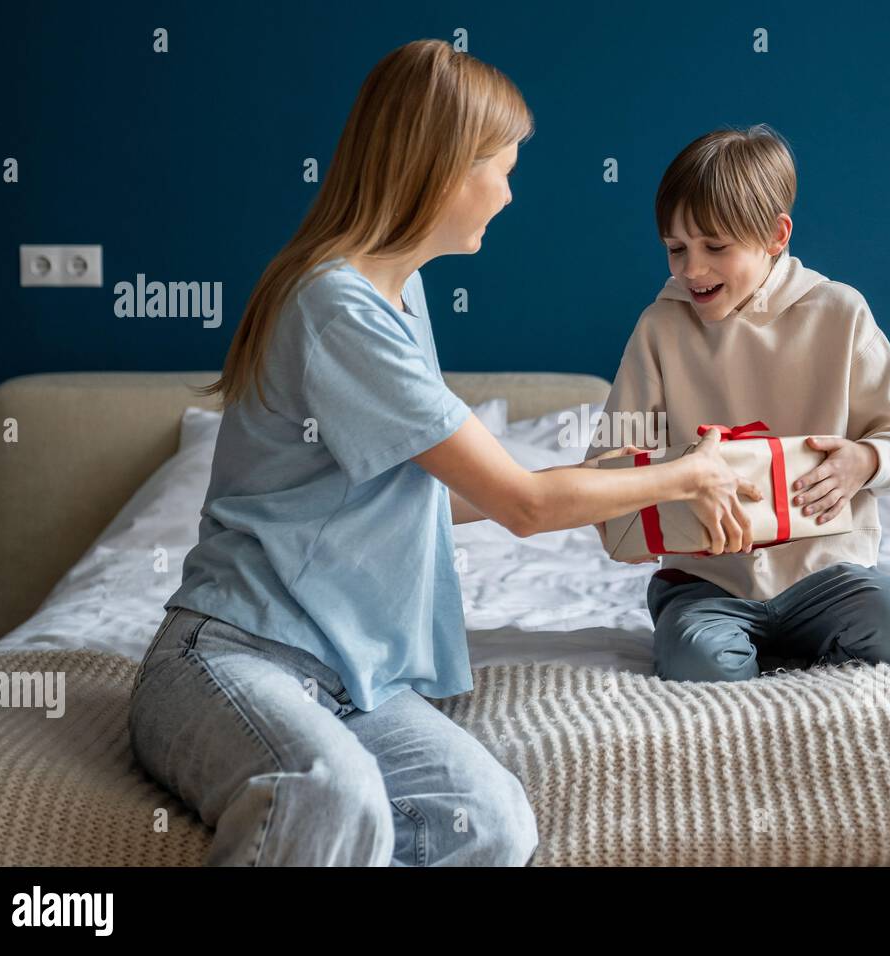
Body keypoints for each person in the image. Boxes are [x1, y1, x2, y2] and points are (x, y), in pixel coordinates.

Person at [127, 40, 760, 867]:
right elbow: (522, 505)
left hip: (354, 679)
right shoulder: (334, 307)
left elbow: (436, 491)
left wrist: (636, 479)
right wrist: (691, 471)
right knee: (329, 793)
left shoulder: (400, 292)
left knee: (489, 820)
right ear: (441, 171)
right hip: (233, 656)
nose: (508, 190)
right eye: (500, 167)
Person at [588, 125, 890, 683]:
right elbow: (611, 460)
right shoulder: (660, 328)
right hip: (708, 582)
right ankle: (757, 652)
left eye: (715, 247)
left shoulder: (839, 313)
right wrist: (633, 517)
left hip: (827, 575)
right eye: (676, 249)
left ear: (777, 236)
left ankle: (796, 648)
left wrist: (866, 461)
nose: (691, 270)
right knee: (696, 659)